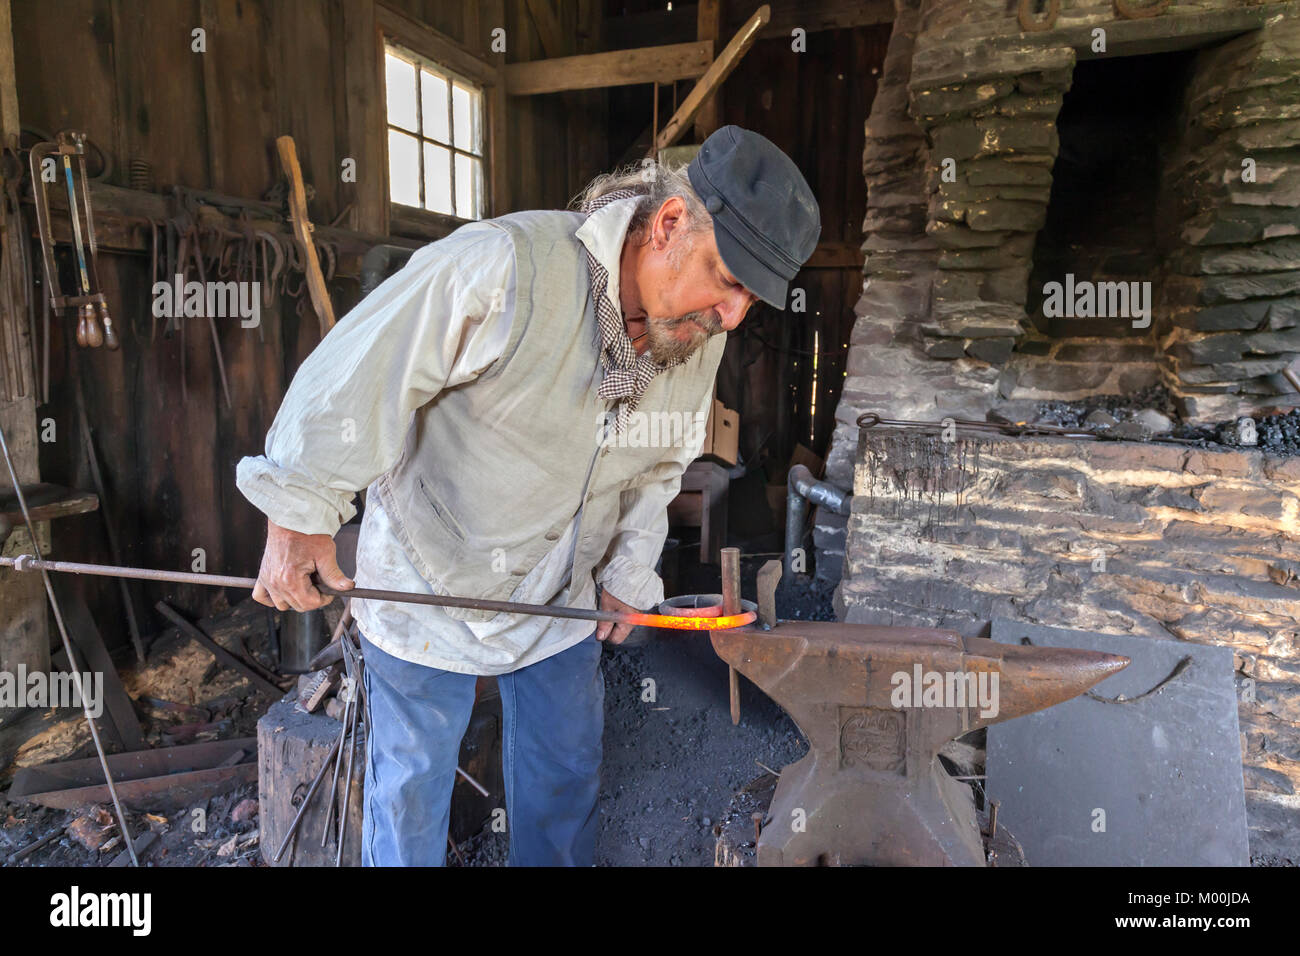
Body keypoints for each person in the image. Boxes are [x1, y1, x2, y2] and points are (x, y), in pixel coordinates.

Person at [237, 125, 820, 866]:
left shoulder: (696, 333)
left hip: (558, 595)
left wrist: (629, 573)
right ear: (669, 225)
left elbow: (657, 470)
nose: (734, 315)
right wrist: (299, 511)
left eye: (751, 298)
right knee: (411, 793)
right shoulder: (506, 267)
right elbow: (362, 369)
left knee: (563, 782)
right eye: (728, 278)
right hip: (427, 577)